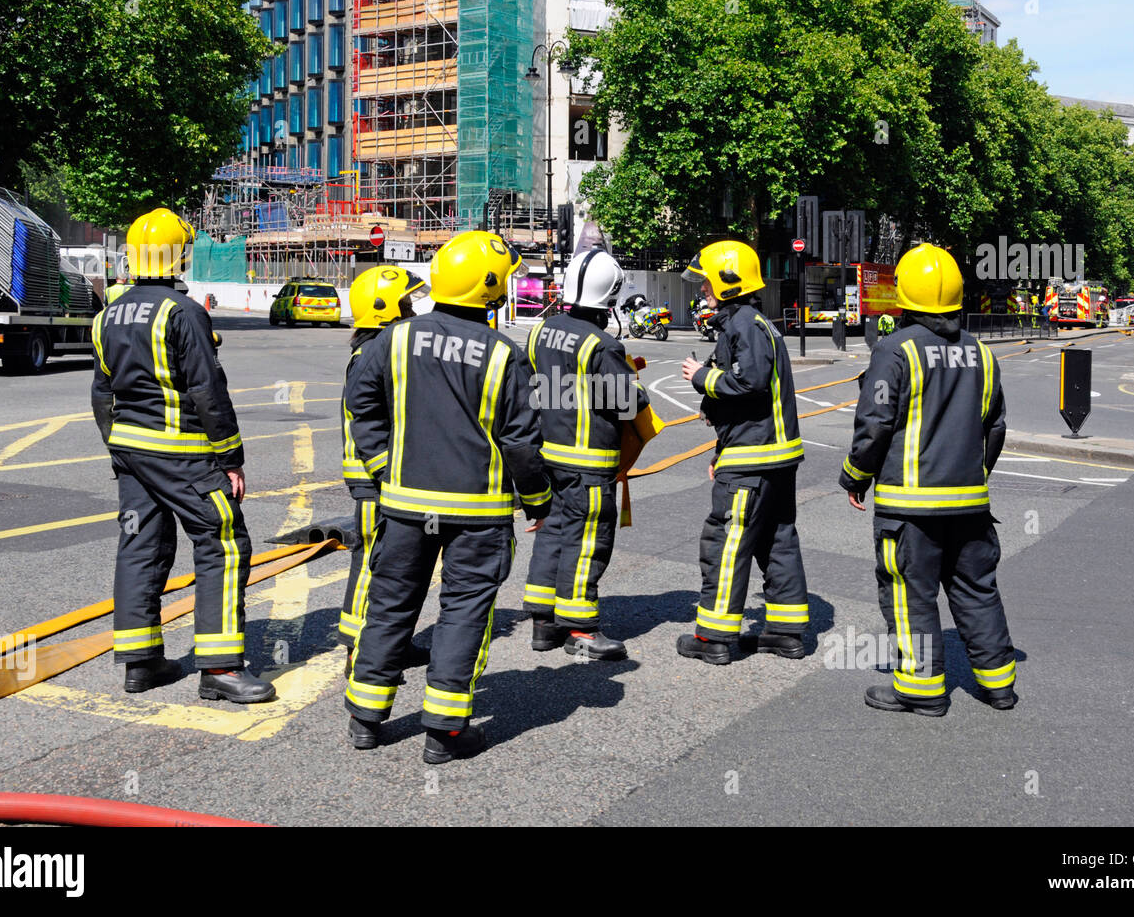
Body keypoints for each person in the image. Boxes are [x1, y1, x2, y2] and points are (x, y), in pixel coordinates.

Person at [343, 231, 553, 763]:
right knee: (464, 612)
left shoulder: (395, 337)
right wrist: (540, 501)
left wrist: (381, 462)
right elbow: (521, 443)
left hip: (406, 505)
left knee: (390, 604)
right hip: (476, 514)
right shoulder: (506, 354)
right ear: (490, 290)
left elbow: (359, 404)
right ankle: (445, 730)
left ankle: (366, 717)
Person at [91, 208, 273, 703]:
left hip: (132, 452)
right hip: (182, 452)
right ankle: (220, 668)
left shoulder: (107, 314)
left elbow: (102, 395)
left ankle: (141, 662)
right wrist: (230, 457)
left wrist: (120, 449)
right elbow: (207, 391)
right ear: (180, 256)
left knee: (140, 545)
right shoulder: (182, 312)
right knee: (224, 541)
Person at [839, 243, 1016, 716]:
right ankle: (999, 685)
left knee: (910, 594)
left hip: (910, 511)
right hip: (972, 507)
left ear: (904, 295)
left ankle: (921, 690)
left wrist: (855, 475)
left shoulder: (894, 350)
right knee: (976, 590)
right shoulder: (982, 353)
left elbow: (875, 423)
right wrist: (974, 476)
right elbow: (995, 427)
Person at [677, 240, 810, 664]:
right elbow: (752, 396)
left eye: (707, 284)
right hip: (771, 460)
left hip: (751, 462)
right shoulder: (755, 323)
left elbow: (748, 382)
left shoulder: (744, 325)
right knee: (776, 541)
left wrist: (702, 377)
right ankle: (784, 633)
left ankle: (712, 638)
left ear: (728, 283)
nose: (703, 291)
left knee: (726, 543)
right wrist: (721, 449)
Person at [522, 248, 649, 661]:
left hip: (548, 456)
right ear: (609, 297)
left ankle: (544, 621)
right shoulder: (602, 344)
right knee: (588, 541)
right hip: (588, 461)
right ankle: (580, 628)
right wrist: (637, 387)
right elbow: (624, 404)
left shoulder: (540, 331)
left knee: (554, 533)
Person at [338, 265, 428, 676]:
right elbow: (370, 420)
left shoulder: (381, 349)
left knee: (388, 561)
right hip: (374, 477)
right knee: (371, 560)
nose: (411, 310)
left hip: (381, 473)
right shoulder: (371, 354)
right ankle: (359, 644)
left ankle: (390, 640)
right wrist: (386, 469)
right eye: (407, 302)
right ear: (385, 307)